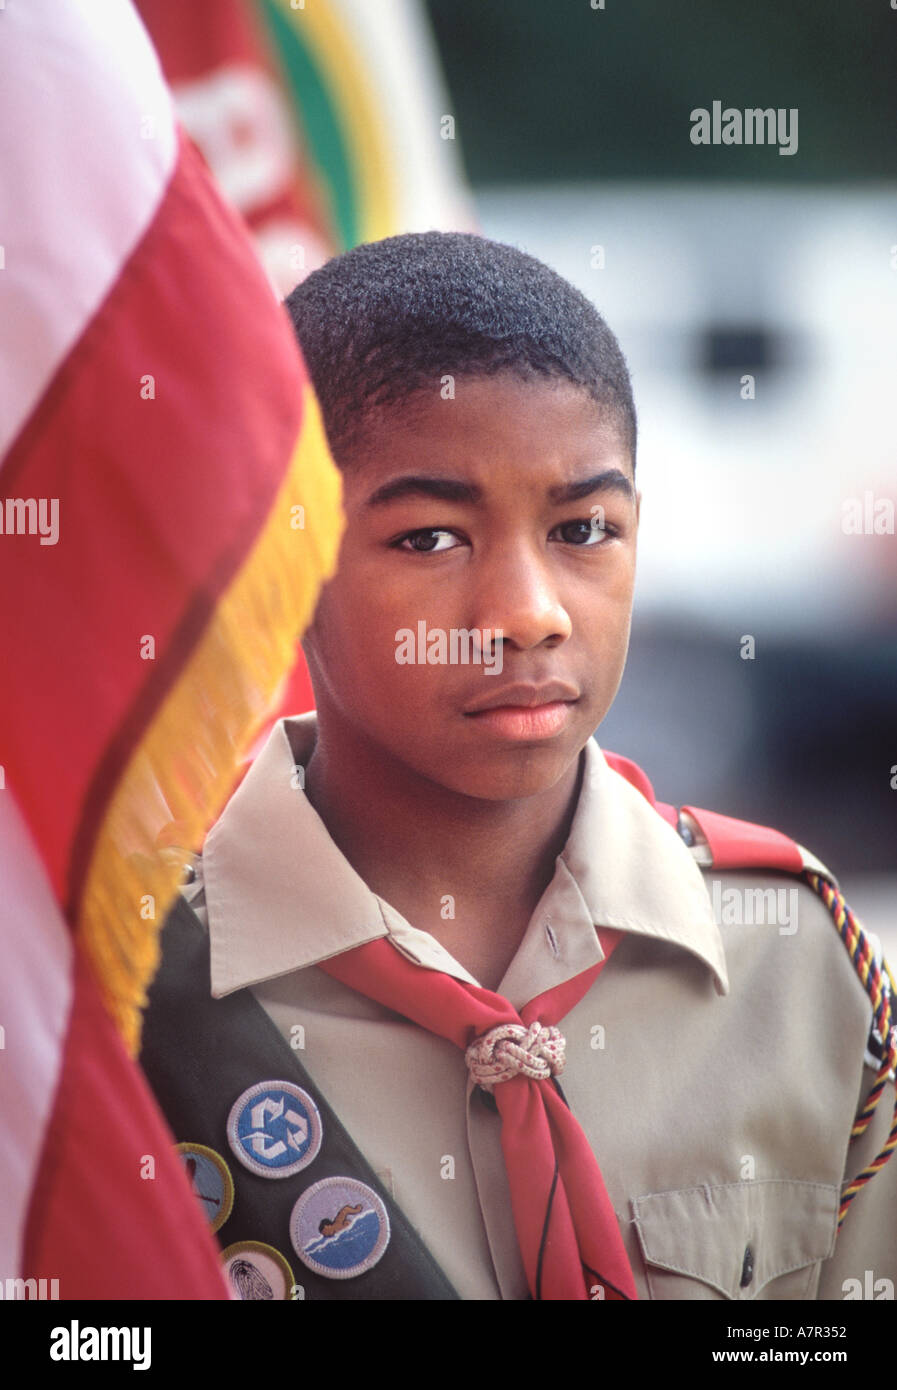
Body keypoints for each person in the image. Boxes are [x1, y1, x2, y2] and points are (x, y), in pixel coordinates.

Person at [140, 231, 896, 1301]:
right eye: (432, 538)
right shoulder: (129, 998)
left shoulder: (793, 963)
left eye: (585, 528)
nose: (530, 613)